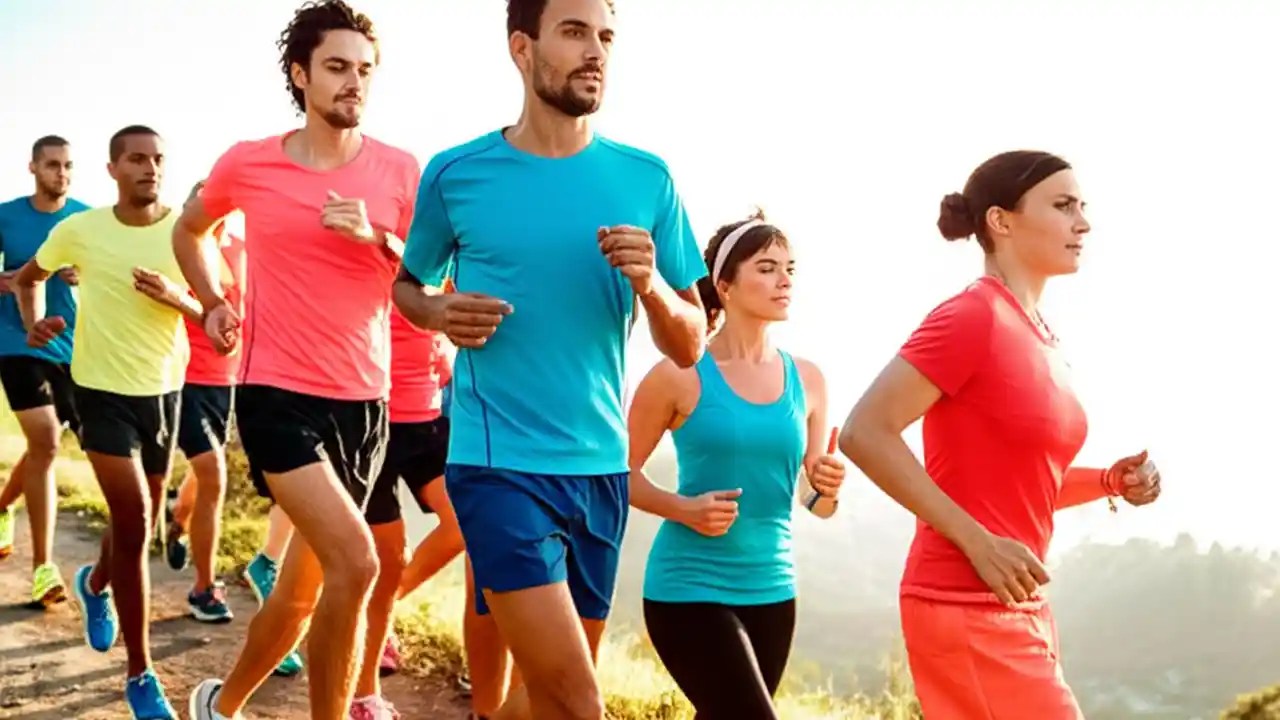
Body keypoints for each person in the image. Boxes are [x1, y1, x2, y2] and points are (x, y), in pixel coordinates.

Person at [392, 0, 708, 716]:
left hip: (600, 470)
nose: (595, 51)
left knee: (544, 701)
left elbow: (691, 342)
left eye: (605, 37)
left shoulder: (647, 179)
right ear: (521, 48)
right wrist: (439, 312)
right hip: (496, 463)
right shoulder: (457, 173)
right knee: (577, 700)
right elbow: (408, 287)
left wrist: (651, 283)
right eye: (573, 32)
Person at [837, 150, 1163, 720]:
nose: (1082, 222)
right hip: (963, 604)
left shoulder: (1038, 333)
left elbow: (1019, 485)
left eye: (1082, 207)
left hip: (1019, 604)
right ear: (1001, 220)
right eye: (1063, 206)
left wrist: (1111, 481)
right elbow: (865, 432)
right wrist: (979, 543)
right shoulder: (972, 317)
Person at [176, 3, 421, 718]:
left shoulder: (402, 171)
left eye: (364, 71)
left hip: (365, 404)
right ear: (300, 73)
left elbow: (427, 285)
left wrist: (377, 237)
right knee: (359, 562)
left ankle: (218, 707)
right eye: (338, 67)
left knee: (302, 593)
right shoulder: (248, 162)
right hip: (275, 392)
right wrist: (215, 300)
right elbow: (192, 231)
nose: (354, 82)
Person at [627, 212, 846, 719]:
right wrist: (682, 509)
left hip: (774, 589)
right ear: (724, 285)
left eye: (790, 268)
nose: (785, 279)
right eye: (767, 267)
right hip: (688, 587)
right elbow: (617, 476)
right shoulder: (678, 375)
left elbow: (816, 504)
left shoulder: (808, 379)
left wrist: (827, 485)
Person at [14, 125, 195, 719]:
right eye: (137, 159)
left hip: (164, 390)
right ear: (114, 168)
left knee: (139, 510)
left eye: (158, 159)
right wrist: (34, 325)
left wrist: (178, 297)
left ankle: (95, 581)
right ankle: (141, 674)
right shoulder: (80, 230)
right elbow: (30, 277)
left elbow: (215, 308)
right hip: (98, 389)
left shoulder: (187, 233)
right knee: (137, 519)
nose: (150, 168)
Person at [0, 135, 89, 607]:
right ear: (33, 167)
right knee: (48, 439)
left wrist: (86, 273)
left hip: (72, 346)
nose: (62, 173)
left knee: (44, 446)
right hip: (14, 341)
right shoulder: (6, 216)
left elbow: (111, 275)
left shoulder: (87, 217)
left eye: (68, 166)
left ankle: (2, 505)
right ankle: (42, 569)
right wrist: (12, 280)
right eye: (53, 165)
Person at [163, 182, 245, 625]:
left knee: (206, 473)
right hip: (183, 376)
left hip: (228, 380)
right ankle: (203, 588)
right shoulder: (177, 247)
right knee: (214, 472)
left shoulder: (240, 249)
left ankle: (178, 518)